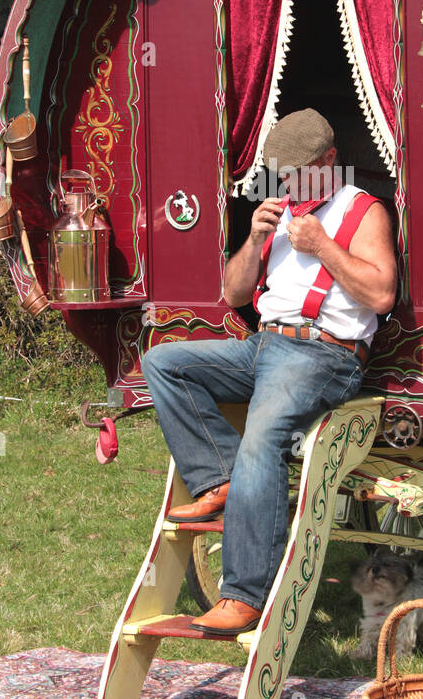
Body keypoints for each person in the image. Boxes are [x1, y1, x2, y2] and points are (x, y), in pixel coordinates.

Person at [140, 108, 398, 637]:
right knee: (163, 362)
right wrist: (256, 242)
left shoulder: (361, 210)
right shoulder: (281, 212)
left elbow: (381, 294)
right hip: (262, 344)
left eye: (297, 172)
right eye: (282, 173)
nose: (287, 183)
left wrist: (323, 246)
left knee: (263, 435)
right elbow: (235, 294)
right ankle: (220, 478)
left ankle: (244, 595)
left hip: (324, 355)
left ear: (329, 161)